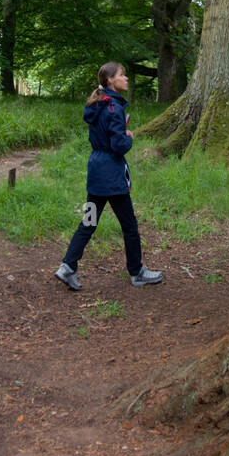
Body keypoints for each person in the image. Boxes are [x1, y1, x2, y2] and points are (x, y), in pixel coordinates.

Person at [55, 61, 164, 290]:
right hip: (112, 176)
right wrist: (129, 137)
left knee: (89, 221)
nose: (126, 79)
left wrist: (118, 134)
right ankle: (137, 273)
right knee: (130, 225)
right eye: (122, 75)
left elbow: (104, 136)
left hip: (96, 171)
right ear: (110, 81)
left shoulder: (97, 105)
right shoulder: (114, 107)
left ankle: (67, 267)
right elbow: (118, 145)